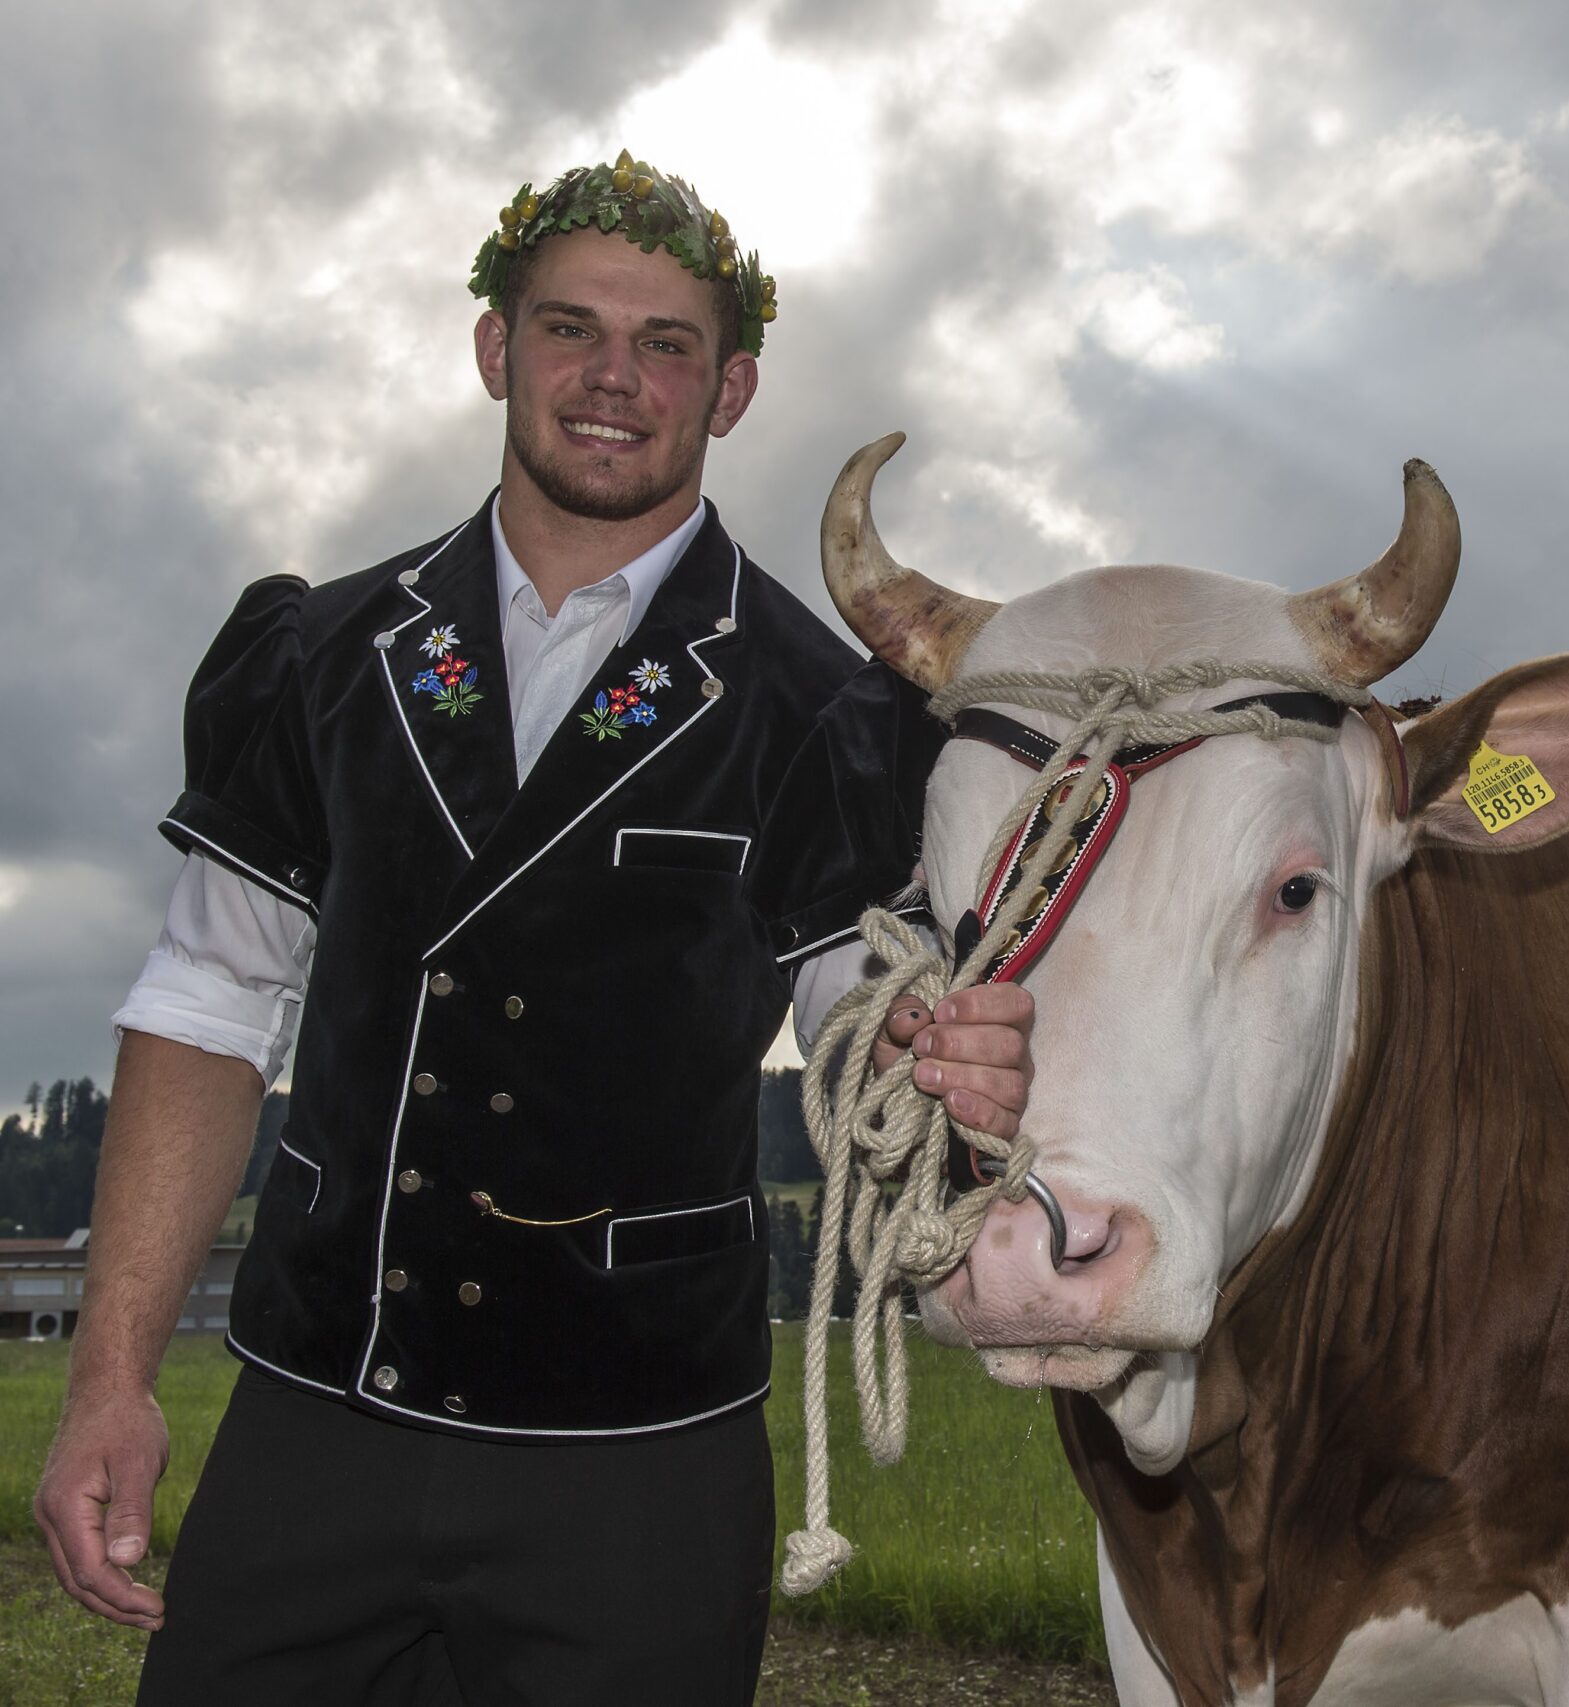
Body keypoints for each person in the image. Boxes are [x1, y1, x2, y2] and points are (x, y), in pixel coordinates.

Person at [32, 150, 1032, 1704]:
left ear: (732, 389)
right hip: (316, 1429)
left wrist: (925, 1057)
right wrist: (109, 1382)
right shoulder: (327, 652)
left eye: (666, 344)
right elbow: (207, 1003)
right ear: (497, 347)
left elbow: (858, 1015)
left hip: (639, 1473)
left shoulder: (818, 706)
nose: (613, 377)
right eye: (572, 328)